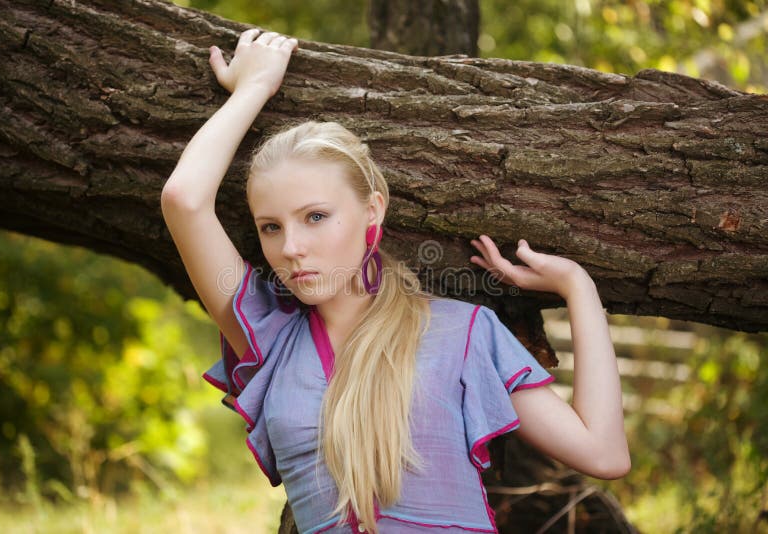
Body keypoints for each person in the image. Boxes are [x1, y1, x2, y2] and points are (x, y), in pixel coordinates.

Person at [160, 28, 630, 534]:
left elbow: (603, 453)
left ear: (373, 210)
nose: (291, 247)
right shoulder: (268, 337)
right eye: (271, 227)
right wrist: (254, 88)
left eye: (315, 216)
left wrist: (577, 286)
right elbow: (185, 200)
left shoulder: (462, 332)